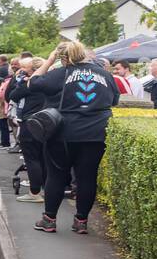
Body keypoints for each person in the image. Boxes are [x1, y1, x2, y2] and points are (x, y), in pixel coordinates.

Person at [29, 40, 119, 234]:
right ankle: (81, 221)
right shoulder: (105, 74)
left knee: (56, 175)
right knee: (87, 177)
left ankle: (49, 219)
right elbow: (115, 100)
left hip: (64, 133)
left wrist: (50, 58)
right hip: (96, 133)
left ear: (64, 58)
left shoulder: (62, 73)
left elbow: (33, 82)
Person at [6, 54, 47, 202]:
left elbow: (12, 95)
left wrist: (19, 82)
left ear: (33, 71)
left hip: (30, 123)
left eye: (24, 68)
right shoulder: (49, 81)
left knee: (32, 158)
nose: (21, 70)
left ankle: (34, 193)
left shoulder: (30, 84)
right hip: (47, 123)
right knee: (43, 158)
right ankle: (44, 189)